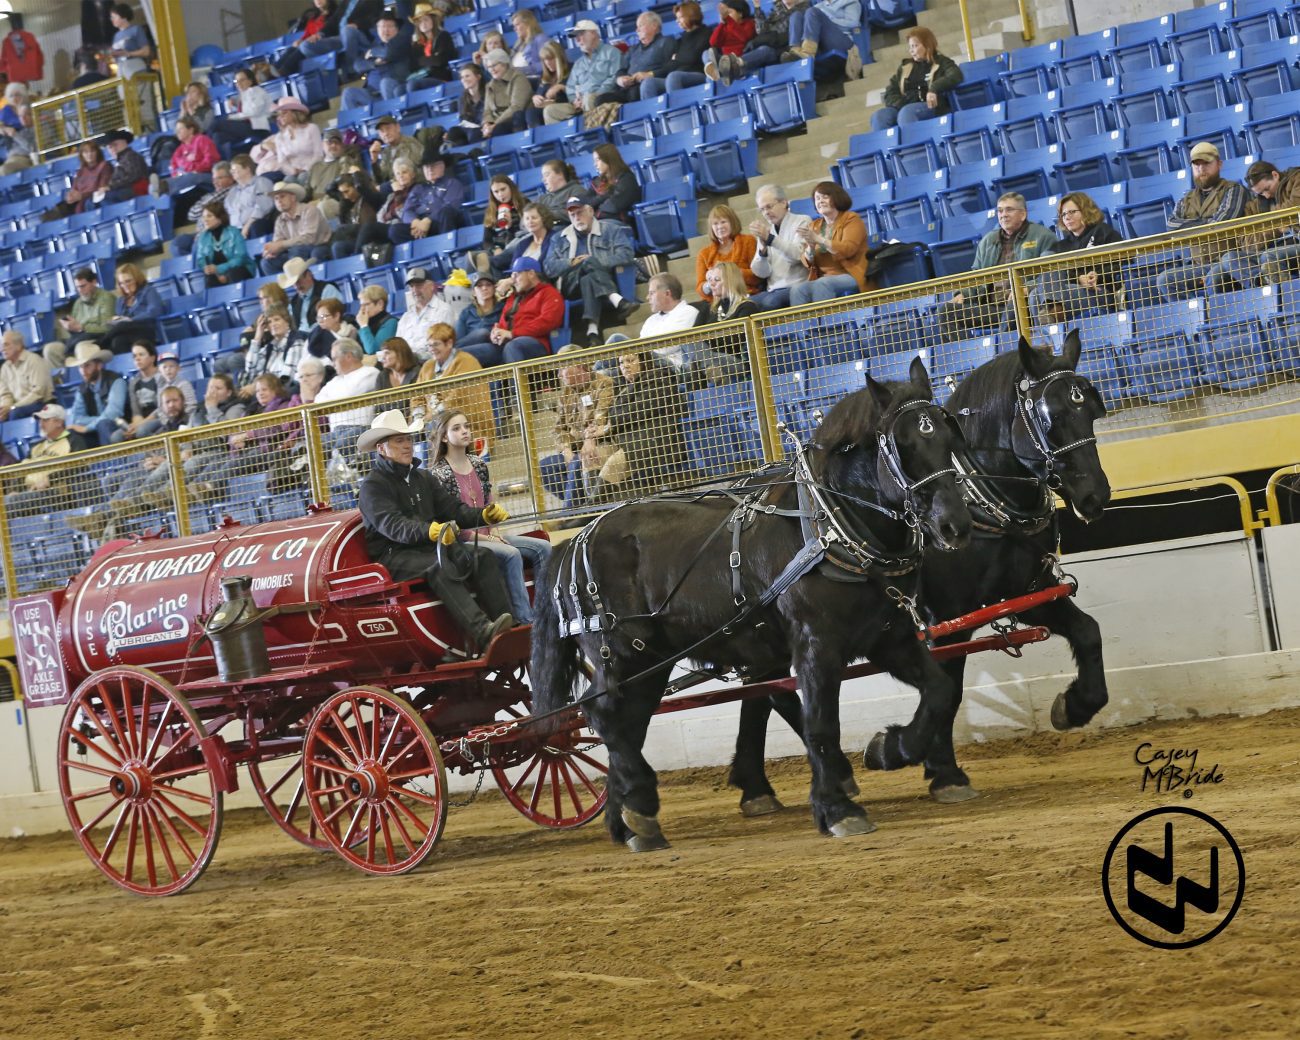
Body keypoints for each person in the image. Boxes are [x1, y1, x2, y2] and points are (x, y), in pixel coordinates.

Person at [356, 410, 515, 652]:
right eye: (399, 440)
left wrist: (482, 514)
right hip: (394, 556)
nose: (407, 445)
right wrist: (431, 531)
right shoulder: (373, 486)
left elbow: (454, 510)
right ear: (381, 449)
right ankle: (482, 631)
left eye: (408, 439)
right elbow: (393, 526)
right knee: (439, 566)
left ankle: (508, 627)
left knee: (482, 557)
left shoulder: (423, 478)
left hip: (430, 547)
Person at [431, 410, 551, 626]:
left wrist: (494, 531)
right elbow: (451, 521)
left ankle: (546, 611)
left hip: (489, 535)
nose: (465, 431)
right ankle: (526, 619)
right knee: (512, 554)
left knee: (543, 547)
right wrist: (489, 539)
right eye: (457, 428)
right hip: (464, 541)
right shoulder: (439, 474)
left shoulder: (478, 464)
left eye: (466, 426)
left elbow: (488, 501)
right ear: (444, 437)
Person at [935, 191, 1057, 339]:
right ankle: (971, 354)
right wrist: (962, 294)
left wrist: (1026, 288)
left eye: (1009, 210)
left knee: (1016, 303)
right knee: (946, 311)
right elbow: (975, 276)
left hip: (1024, 305)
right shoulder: (988, 241)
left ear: (1023, 214)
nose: (1003, 214)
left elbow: (1052, 273)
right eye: (1000, 210)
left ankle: (1000, 352)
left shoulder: (1043, 236)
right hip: (992, 308)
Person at [1156, 142, 1250, 302]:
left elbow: (1221, 223)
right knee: (1165, 279)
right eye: (1197, 164)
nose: (1201, 169)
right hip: (1198, 264)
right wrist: (1206, 223)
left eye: (1206, 163)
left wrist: (1190, 227)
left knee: (1214, 277)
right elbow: (1171, 226)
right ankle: (1197, 315)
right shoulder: (1186, 198)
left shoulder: (1234, 189)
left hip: (1228, 260)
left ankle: (1220, 317)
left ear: (1219, 164)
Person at [544, 193, 637, 347]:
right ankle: (616, 299)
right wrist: (572, 262)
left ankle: (592, 331)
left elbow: (626, 254)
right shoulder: (559, 238)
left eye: (579, 212)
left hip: (598, 280)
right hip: (571, 284)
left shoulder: (610, 230)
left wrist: (594, 262)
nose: (576, 218)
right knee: (587, 264)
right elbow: (549, 268)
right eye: (572, 215)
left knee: (588, 277)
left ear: (590, 211)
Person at [1028, 192, 1125, 326]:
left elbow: (1121, 263)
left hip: (1099, 291)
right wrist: (1078, 279)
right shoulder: (1060, 246)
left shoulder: (1104, 232)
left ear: (1085, 211)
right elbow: (1049, 277)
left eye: (1072, 212)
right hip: (1068, 292)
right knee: (1034, 295)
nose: (1067, 217)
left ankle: (1053, 320)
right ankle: (1054, 314)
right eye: (1063, 214)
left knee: (1037, 293)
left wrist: (1098, 275)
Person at [1205, 159, 1300, 293]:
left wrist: (1264, 229)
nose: (1266, 196)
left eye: (1267, 189)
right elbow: (1248, 243)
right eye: (1260, 193)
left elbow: (1294, 208)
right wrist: (1278, 228)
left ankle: (1287, 297)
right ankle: (1262, 284)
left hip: (1293, 244)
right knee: (1225, 262)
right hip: (1264, 252)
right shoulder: (1253, 206)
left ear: (1275, 175)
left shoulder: (1296, 179)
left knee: (1269, 256)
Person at [543, 345, 620, 507]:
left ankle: (569, 515)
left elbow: (602, 415)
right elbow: (559, 428)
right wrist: (566, 449)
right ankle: (581, 508)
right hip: (575, 448)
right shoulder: (566, 394)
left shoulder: (603, 383)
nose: (559, 373)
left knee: (580, 461)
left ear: (579, 365)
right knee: (545, 467)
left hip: (602, 443)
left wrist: (589, 439)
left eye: (563, 367)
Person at [607, 350, 691, 495]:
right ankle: (589, 511)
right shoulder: (625, 388)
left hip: (660, 442)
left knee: (612, 465)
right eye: (621, 362)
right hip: (635, 440)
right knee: (592, 458)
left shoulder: (657, 379)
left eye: (631, 360)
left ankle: (591, 510)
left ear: (644, 362)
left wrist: (610, 425)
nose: (625, 366)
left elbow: (636, 411)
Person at [789, 181, 873, 307]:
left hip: (851, 273)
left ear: (837, 198)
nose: (820, 201)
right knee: (797, 290)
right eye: (817, 198)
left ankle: (827, 326)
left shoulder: (851, 219)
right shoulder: (815, 225)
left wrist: (820, 240)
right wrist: (811, 247)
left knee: (822, 284)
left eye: (825, 197)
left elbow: (848, 249)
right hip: (823, 277)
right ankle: (805, 327)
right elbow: (808, 262)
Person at [468, 256, 565, 366]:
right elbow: (502, 322)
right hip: (507, 344)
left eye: (516, 274)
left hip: (534, 344)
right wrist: (496, 332)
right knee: (467, 354)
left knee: (512, 347)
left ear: (531, 274)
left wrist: (512, 333)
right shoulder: (514, 297)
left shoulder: (549, 293)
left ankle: (516, 384)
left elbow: (547, 322)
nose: (512, 279)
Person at [872, 27, 964, 131]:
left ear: (928, 45)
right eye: (910, 46)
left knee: (907, 113)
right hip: (905, 106)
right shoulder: (905, 67)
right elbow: (890, 91)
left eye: (915, 46)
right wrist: (900, 104)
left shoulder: (942, 62)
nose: (911, 50)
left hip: (930, 106)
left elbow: (955, 75)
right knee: (880, 117)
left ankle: (913, 146)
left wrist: (933, 88)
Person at [414, 324, 492, 434]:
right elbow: (417, 395)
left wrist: (432, 416)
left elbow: (459, 397)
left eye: (436, 344)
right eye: (429, 345)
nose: (431, 349)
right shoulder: (428, 366)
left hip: (469, 427)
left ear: (449, 343)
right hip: (434, 426)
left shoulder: (466, 361)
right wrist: (418, 418)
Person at [544, 20, 621, 124]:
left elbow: (615, 77)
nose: (577, 40)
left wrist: (596, 93)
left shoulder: (611, 52)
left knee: (589, 98)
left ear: (593, 33)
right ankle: (568, 140)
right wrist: (575, 101)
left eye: (581, 35)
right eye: (576, 37)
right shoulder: (578, 64)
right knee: (550, 111)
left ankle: (596, 136)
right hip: (581, 104)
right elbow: (571, 88)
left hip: (603, 97)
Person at [749, 183, 812, 310]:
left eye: (769, 207)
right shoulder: (766, 231)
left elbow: (798, 256)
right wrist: (762, 251)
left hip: (797, 286)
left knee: (770, 303)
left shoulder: (802, 221)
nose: (766, 213)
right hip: (772, 289)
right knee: (744, 305)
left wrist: (771, 240)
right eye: (762, 209)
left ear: (783, 203)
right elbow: (762, 273)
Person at [5, 405, 72, 519]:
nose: (41, 424)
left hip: (56, 492)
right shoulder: (36, 446)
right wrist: (15, 490)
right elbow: (22, 470)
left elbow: (78, 467)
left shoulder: (73, 440)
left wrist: (50, 479)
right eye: (40, 420)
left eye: (46, 420)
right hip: (30, 491)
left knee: (12, 503)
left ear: (59, 422)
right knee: (8, 500)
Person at [717, 0, 807, 82]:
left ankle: (733, 66)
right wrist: (757, 7)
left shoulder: (801, 11)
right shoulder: (777, 11)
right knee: (761, 51)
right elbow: (762, 31)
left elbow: (786, 37)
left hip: (782, 51)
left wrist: (763, 39)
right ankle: (731, 68)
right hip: (768, 48)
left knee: (764, 50)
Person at [45, 268, 118, 369]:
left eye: (83, 286)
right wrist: (70, 327)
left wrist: (82, 327)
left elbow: (107, 327)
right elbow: (76, 330)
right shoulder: (78, 303)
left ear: (94, 282)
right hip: (79, 338)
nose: (80, 291)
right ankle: (66, 378)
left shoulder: (106, 298)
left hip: (99, 338)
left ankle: (87, 377)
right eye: (78, 287)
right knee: (50, 349)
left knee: (81, 348)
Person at [340, 9, 413, 109]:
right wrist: (374, 63)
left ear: (397, 29)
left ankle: (394, 118)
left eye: (390, 26)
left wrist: (373, 53)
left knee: (385, 82)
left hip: (396, 87)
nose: (385, 30)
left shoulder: (401, 42)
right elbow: (357, 65)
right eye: (382, 26)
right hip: (372, 95)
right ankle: (350, 124)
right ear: (377, 30)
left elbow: (388, 53)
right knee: (348, 93)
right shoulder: (373, 46)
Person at [390, 148, 465, 243]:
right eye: (426, 167)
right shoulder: (418, 188)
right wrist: (415, 222)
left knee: (446, 212)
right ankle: (420, 253)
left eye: (433, 166)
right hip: (419, 227)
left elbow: (452, 205)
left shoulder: (452, 183)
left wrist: (428, 220)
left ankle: (448, 248)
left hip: (440, 224)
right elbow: (407, 210)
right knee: (394, 230)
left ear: (442, 166)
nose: (429, 170)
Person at [640, 2, 712, 99]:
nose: (677, 21)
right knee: (648, 83)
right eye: (676, 18)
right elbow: (671, 64)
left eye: (680, 17)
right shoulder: (680, 38)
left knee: (673, 77)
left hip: (698, 74)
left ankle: (678, 113)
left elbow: (692, 58)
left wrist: (677, 58)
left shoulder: (707, 33)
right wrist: (652, 73)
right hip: (677, 75)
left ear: (691, 15)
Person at [64, 342, 128, 451]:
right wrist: (95, 423)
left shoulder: (116, 381)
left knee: (104, 424)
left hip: (121, 428)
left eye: (87, 365)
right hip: (95, 431)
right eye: (80, 367)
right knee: (72, 433)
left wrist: (87, 427)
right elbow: (76, 418)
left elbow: (113, 414)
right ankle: (84, 467)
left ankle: (114, 464)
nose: (83, 371)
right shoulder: (82, 389)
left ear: (99, 365)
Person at [261, 182, 332, 274]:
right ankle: (284, 287)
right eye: (276, 198)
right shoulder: (280, 220)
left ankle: (299, 282)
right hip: (295, 252)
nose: (279, 201)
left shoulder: (309, 210)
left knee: (297, 250)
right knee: (267, 263)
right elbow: (278, 243)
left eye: (282, 196)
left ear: (293, 197)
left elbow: (308, 239)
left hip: (318, 247)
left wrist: (281, 244)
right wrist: (272, 251)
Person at [696, 204, 761, 300]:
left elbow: (758, 276)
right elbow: (700, 289)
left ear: (732, 223)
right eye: (715, 224)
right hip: (718, 301)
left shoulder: (748, 241)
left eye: (723, 222)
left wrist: (730, 274)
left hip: (746, 295)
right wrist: (710, 283)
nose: (720, 227)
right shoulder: (704, 254)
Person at [608, 12, 674, 103]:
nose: (637, 30)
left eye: (641, 25)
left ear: (654, 26)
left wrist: (650, 74)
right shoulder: (633, 49)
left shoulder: (666, 42)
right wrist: (620, 79)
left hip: (645, 85)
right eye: (637, 27)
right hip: (626, 88)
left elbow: (671, 67)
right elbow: (621, 70)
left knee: (634, 92)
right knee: (601, 100)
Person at [250, 97, 322, 180]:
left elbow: (318, 154)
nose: (280, 117)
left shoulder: (311, 128)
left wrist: (306, 169)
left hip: (312, 168)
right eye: (279, 114)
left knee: (303, 177)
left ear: (295, 113)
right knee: (288, 180)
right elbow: (282, 161)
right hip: (292, 172)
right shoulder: (279, 137)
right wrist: (293, 171)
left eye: (284, 113)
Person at [241, 305, 306, 394]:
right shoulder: (270, 346)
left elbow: (286, 379)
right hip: (264, 394)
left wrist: (257, 387)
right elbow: (250, 370)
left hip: (284, 395)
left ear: (287, 321)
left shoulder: (296, 341)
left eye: (276, 319)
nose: (273, 324)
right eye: (269, 322)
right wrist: (258, 337)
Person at [208, 68, 273, 157]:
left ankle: (202, 146)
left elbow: (253, 113)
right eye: (236, 81)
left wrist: (232, 117)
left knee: (217, 123)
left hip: (257, 129)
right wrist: (236, 103)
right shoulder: (245, 95)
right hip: (246, 127)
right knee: (218, 136)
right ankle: (229, 162)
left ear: (250, 81)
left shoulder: (257, 92)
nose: (238, 84)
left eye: (242, 80)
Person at [693, 1, 757, 90]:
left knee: (723, 63)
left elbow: (744, 37)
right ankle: (714, 69)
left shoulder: (749, 23)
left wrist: (728, 20)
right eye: (725, 14)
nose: (727, 16)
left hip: (739, 59)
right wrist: (722, 23)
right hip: (724, 61)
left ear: (740, 13)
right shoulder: (725, 26)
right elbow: (713, 42)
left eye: (729, 13)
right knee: (706, 53)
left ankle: (718, 72)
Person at [472, 175, 527, 276]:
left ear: (511, 187)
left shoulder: (524, 204)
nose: (500, 194)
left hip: (518, 244)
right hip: (498, 249)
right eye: (496, 192)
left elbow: (527, 232)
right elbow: (486, 241)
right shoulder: (490, 211)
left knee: (492, 261)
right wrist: (494, 249)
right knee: (474, 257)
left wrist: (510, 227)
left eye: (503, 189)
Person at [193, 198, 256, 288]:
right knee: (209, 279)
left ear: (220, 218)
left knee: (233, 273)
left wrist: (219, 269)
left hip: (239, 270)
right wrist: (209, 269)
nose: (205, 220)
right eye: (204, 217)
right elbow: (201, 259)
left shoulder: (234, 232)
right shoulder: (203, 237)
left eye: (209, 216)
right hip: (216, 274)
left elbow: (240, 258)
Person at [273, 0, 346, 78]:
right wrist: (301, 40)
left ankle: (283, 72)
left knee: (302, 48)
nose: (318, 1)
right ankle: (272, 70)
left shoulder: (336, 13)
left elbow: (331, 32)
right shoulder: (313, 17)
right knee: (292, 49)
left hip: (323, 44)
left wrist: (313, 38)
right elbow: (307, 34)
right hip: (310, 43)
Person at [103, 263, 164, 355]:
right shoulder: (120, 300)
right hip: (127, 333)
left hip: (146, 330)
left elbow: (155, 311)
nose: (125, 285)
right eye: (121, 283)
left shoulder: (148, 291)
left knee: (123, 325)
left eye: (128, 281)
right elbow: (120, 319)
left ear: (136, 279)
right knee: (117, 341)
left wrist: (131, 320)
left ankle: (101, 342)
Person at [42, 141, 112, 222]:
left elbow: (102, 188)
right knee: (52, 214)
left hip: (92, 199)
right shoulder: (81, 171)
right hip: (78, 201)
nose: (89, 154)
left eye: (92, 151)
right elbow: (74, 189)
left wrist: (82, 196)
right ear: (82, 155)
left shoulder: (105, 166)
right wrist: (71, 196)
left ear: (98, 153)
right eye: (86, 152)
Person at [396, 269, 455, 359]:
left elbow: (442, 346)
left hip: (428, 361)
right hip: (406, 362)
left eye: (419, 285)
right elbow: (398, 346)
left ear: (431, 286)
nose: (415, 290)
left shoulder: (443, 310)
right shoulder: (406, 317)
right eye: (411, 286)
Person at [110, 340, 162, 442]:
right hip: (142, 422)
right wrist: (132, 427)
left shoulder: (161, 377)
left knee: (142, 431)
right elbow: (136, 412)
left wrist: (141, 424)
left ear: (152, 357)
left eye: (141, 355)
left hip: (160, 418)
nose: (137, 359)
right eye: (134, 356)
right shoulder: (134, 382)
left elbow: (162, 408)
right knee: (116, 436)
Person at [278, 257, 344, 335]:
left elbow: (334, 318)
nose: (296, 286)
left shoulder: (327, 290)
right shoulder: (293, 302)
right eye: (293, 283)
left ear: (309, 275)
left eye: (299, 281)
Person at [0, 330, 53, 422]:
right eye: (2, 346)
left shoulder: (34, 360)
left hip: (41, 404)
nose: (2, 349)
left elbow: (38, 393)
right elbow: (5, 394)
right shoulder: (5, 368)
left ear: (19, 345)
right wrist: (5, 408)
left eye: (6, 344)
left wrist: (13, 407)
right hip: (17, 407)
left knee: (15, 414)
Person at [329, 170, 383, 259]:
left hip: (374, 242)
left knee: (340, 235)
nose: (345, 196)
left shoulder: (370, 198)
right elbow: (329, 190)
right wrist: (338, 180)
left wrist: (356, 174)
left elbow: (363, 187)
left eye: (347, 191)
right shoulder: (348, 204)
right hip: (356, 240)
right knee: (337, 244)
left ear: (356, 187)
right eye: (342, 193)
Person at [784, 0, 861, 62]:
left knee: (812, 11)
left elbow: (853, 24)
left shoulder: (849, 1)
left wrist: (827, 20)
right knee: (796, 15)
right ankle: (795, 51)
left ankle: (807, 53)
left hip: (843, 41)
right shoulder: (819, 6)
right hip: (820, 43)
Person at [481, 49, 531, 139]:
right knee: (475, 135)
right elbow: (487, 111)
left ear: (505, 63)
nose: (492, 69)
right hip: (495, 123)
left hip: (512, 119)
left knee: (498, 130)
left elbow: (516, 107)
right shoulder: (489, 85)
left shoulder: (518, 78)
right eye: (489, 67)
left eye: (494, 65)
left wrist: (495, 125)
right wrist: (486, 124)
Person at [227, 152, 277, 241]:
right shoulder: (232, 192)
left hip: (255, 224)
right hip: (236, 229)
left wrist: (247, 225)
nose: (231, 171)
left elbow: (263, 206)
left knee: (256, 226)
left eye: (235, 168)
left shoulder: (262, 182)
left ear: (247, 169)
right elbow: (229, 211)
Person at [590, 144, 641, 224]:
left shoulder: (627, 179)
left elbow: (613, 206)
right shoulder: (599, 182)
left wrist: (596, 208)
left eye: (598, 160)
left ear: (609, 159)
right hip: (603, 223)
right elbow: (588, 202)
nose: (595, 164)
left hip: (622, 226)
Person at [408, 3, 457, 84]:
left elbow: (441, 61)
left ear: (433, 20)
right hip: (423, 78)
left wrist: (421, 60)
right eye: (419, 21)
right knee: (399, 90)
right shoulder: (417, 44)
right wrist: (432, 59)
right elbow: (412, 66)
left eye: (426, 19)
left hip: (441, 77)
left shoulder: (443, 36)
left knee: (412, 85)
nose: (423, 23)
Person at [368, 115, 423, 187]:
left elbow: (410, 175)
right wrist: (374, 161)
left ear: (398, 128)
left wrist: (386, 187)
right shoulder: (386, 151)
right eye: (382, 131)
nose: (385, 134)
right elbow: (380, 179)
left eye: (388, 128)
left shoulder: (410, 144)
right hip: (397, 188)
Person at [101, 129, 150, 204]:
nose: (113, 149)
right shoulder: (121, 160)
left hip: (136, 187)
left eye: (115, 144)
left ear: (125, 142)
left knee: (108, 197)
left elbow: (132, 176)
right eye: (110, 147)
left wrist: (111, 186)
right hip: (126, 189)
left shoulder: (131, 156)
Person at [526, 43, 569, 129]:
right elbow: (539, 95)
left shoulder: (570, 70)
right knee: (530, 112)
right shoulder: (545, 77)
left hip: (563, 108)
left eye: (550, 59)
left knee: (541, 112)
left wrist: (561, 87)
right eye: (544, 60)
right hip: (545, 110)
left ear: (559, 57)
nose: (547, 63)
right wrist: (536, 98)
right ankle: (538, 139)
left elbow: (574, 95)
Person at [457, 274, 505, 351]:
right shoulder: (466, 312)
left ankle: (449, 353)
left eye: (488, 285)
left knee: (483, 333)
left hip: (495, 348)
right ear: (474, 292)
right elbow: (460, 340)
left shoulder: (503, 308)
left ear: (494, 289)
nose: (484, 288)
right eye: (479, 286)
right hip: (469, 349)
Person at [447, 63, 487, 146]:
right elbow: (464, 119)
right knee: (453, 132)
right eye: (462, 77)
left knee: (474, 134)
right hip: (470, 129)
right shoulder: (462, 98)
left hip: (484, 127)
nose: (464, 79)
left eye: (467, 76)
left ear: (478, 77)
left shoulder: (488, 93)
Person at [355, 284, 401, 355]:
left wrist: (364, 326)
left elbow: (374, 350)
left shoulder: (391, 322)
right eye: (361, 305)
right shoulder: (366, 322)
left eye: (366, 304)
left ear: (380, 304)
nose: (362, 309)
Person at [0, 14, 44, 88]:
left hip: (16, 76)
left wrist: (5, 72)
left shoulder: (7, 41)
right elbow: (39, 56)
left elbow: (3, 61)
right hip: (31, 73)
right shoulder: (30, 37)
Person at [534, 159, 583, 223]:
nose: (543, 179)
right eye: (543, 176)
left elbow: (574, 214)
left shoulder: (576, 191)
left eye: (546, 175)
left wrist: (543, 214)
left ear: (560, 174)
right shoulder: (541, 199)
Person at [509, 9, 548, 79]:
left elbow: (545, 64)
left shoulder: (540, 39)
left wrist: (521, 70)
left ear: (528, 24)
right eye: (514, 26)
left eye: (517, 25)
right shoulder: (518, 44)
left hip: (534, 80)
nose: (515, 29)